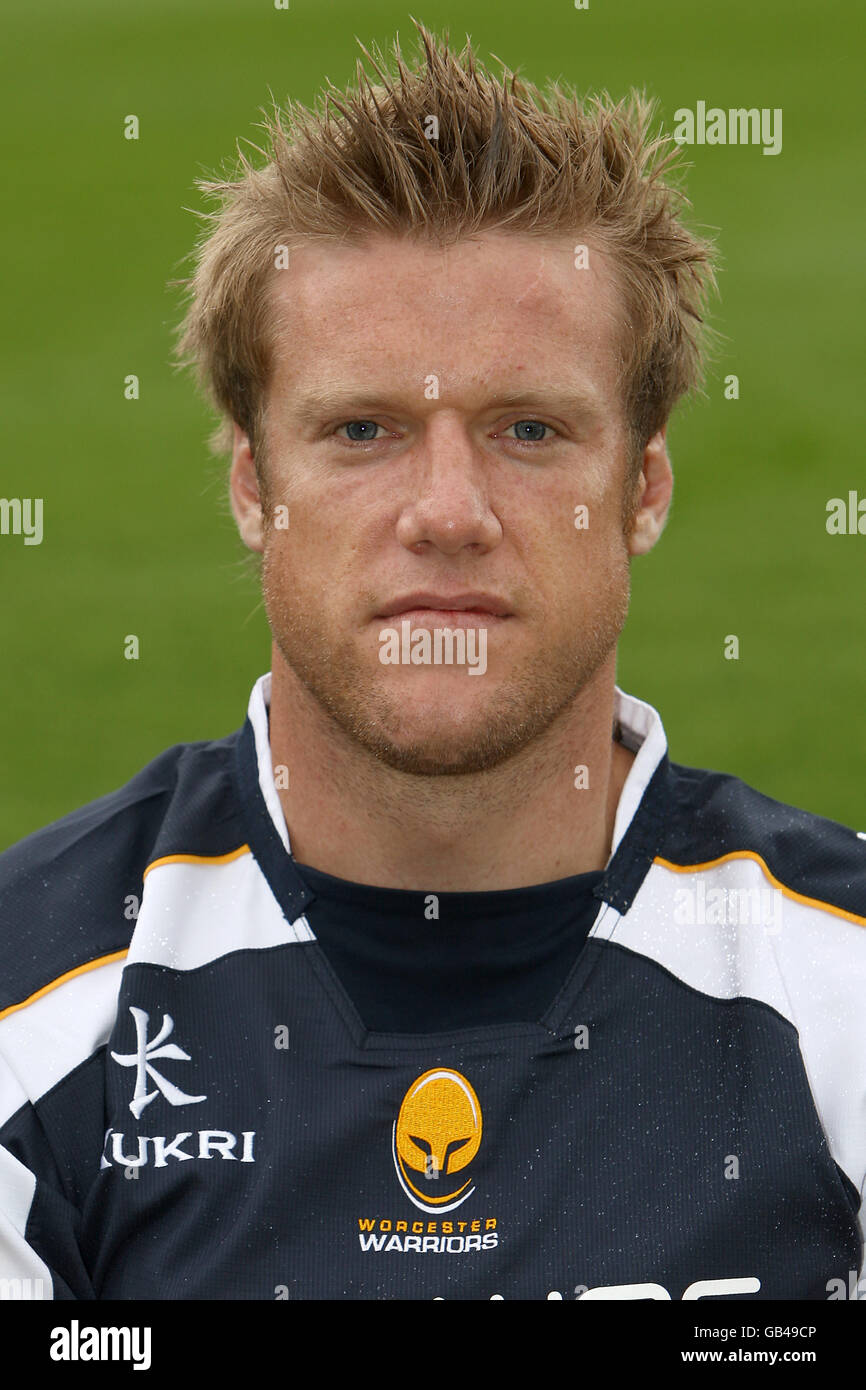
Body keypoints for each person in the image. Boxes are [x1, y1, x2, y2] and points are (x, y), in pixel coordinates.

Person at [1, 22, 863, 1302]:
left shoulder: (838, 988)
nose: (446, 510)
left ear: (641, 484)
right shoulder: (30, 1005)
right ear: (253, 482)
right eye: (362, 429)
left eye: (527, 428)